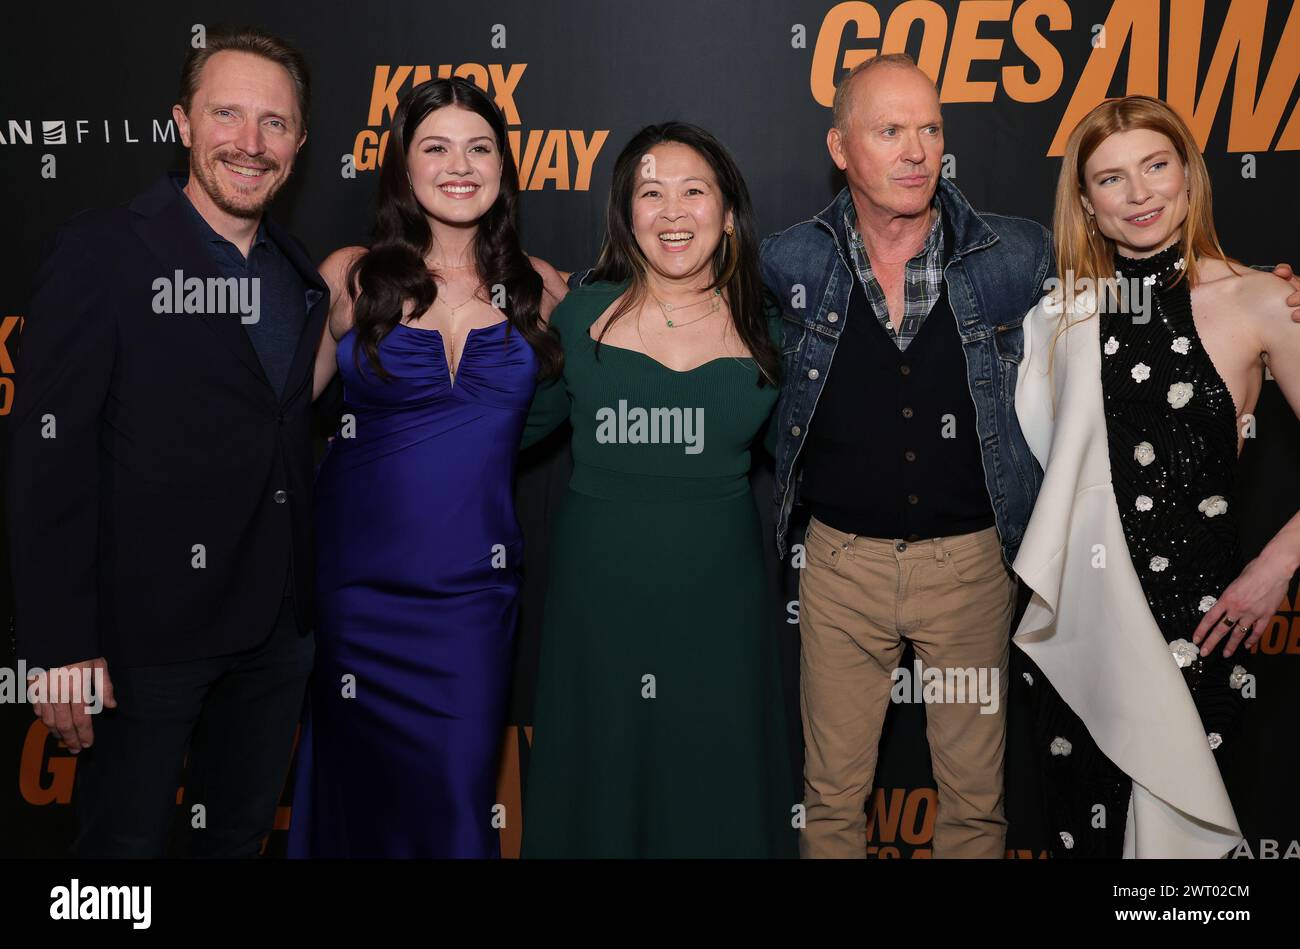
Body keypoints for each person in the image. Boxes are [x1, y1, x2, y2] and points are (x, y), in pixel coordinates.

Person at [7, 29, 324, 857]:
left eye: (275, 123)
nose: (250, 144)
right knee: (120, 862)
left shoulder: (302, 274)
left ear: (299, 142)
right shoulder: (103, 251)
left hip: (275, 641)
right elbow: (48, 458)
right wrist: (60, 649)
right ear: (183, 123)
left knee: (235, 840)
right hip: (142, 647)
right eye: (227, 115)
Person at [1013, 94, 1300, 858]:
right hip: (1084, 629)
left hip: (1202, 625)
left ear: (1188, 175)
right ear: (1086, 202)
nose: (1139, 195)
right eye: (1112, 179)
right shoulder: (1062, 315)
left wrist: (1275, 568)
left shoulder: (1264, 300)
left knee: (1185, 859)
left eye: (1155, 166)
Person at [287, 78, 567, 857]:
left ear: (505, 169)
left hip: (471, 605)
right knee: (355, 805)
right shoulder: (353, 275)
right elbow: (273, 423)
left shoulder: (542, 291)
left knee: (453, 805)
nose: (459, 165)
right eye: (434, 147)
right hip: (357, 599)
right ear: (401, 169)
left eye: (480, 148)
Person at [518, 123, 797, 857]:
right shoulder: (578, 318)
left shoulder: (769, 330)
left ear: (728, 211)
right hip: (599, 612)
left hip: (721, 614)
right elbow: (501, 434)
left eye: (693, 191)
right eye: (650, 193)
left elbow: (816, 460)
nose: (673, 213)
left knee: (715, 785)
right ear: (625, 213)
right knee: (602, 782)